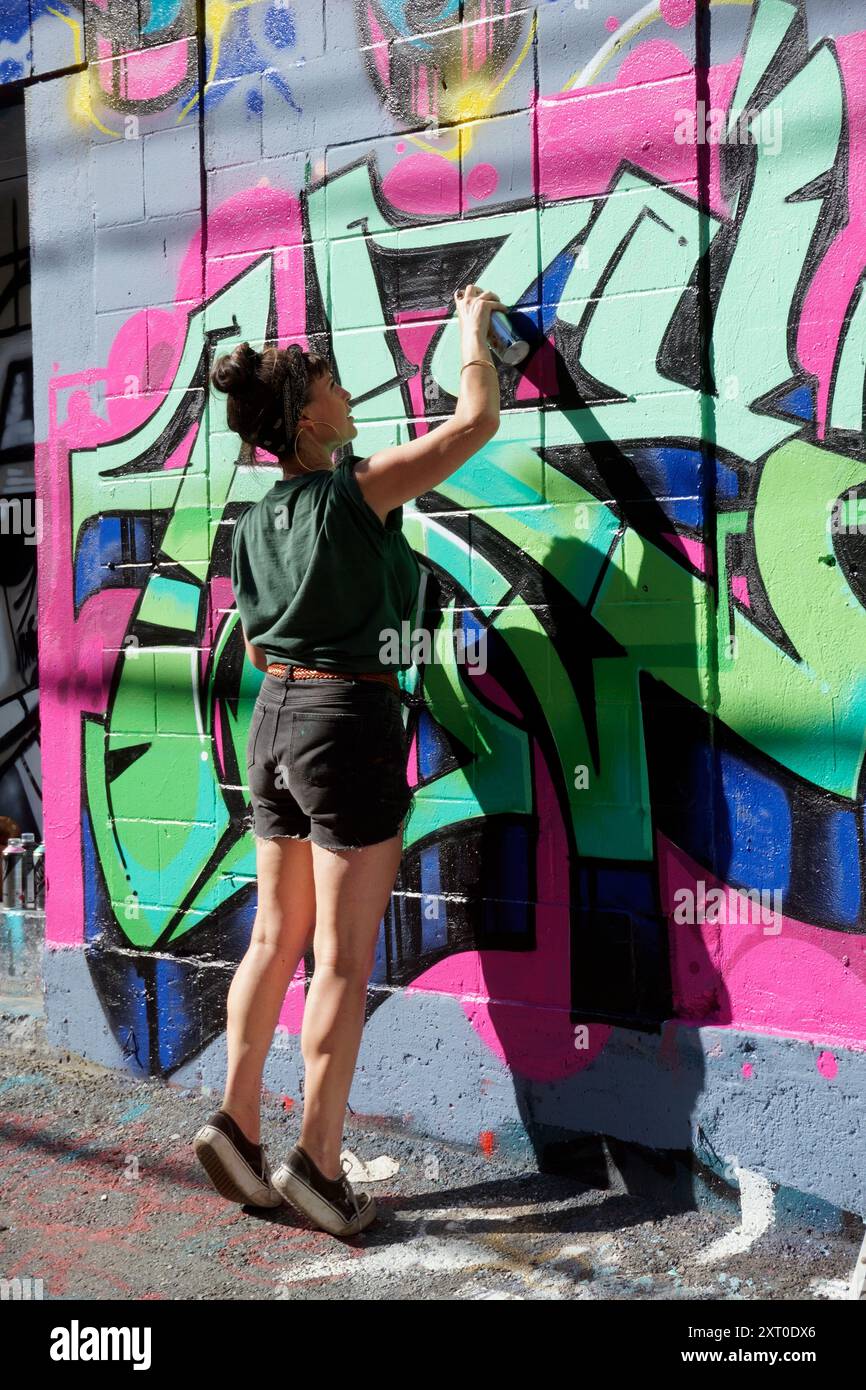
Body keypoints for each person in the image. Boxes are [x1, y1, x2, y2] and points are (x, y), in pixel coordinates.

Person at [193, 283, 504, 1237]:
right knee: (340, 957)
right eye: (330, 378)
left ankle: (237, 1129)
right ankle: (318, 1168)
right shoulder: (353, 490)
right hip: (346, 726)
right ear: (310, 413)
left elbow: (255, 635)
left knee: (270, 939)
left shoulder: (252, 525)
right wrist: (470, 332)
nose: (343, 386)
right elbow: (473, 425)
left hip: (273, 725)